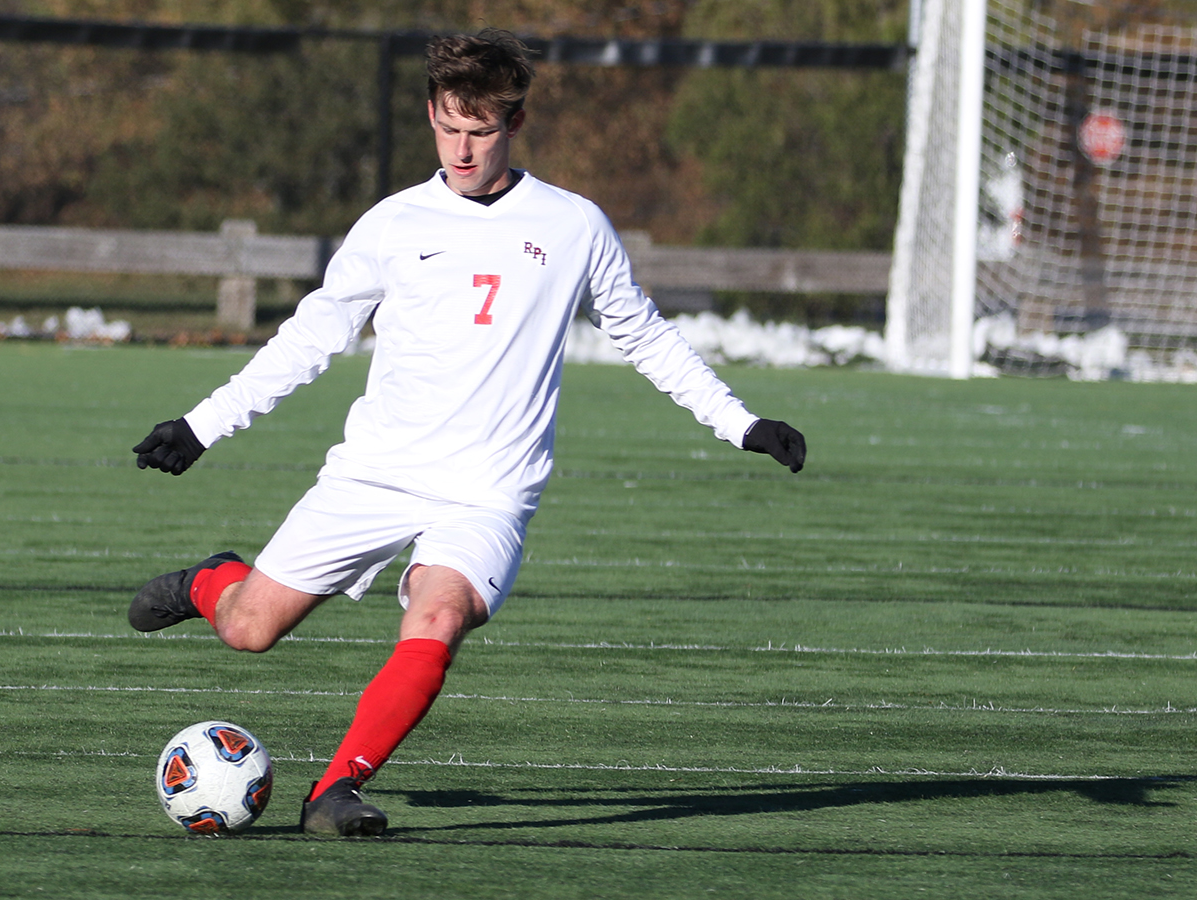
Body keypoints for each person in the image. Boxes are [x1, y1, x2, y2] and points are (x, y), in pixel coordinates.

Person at [127, 28, 806, 837]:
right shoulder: (392, 223)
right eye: (448, 127)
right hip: (376, 472)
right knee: (249, 630)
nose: (461, 149)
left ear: (514, 122)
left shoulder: (573, 226)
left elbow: (645, 336)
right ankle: (212, 582)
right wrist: (202, 425)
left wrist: (741, 422)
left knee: (439, 616)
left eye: (479, 131)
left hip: (488, 492)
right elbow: (310, 338)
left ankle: (336, 789)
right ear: (430, 115)